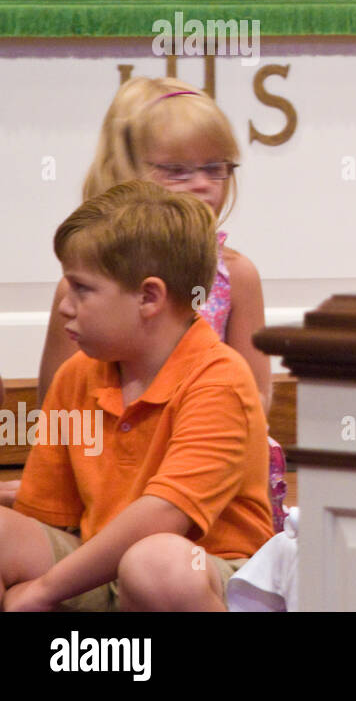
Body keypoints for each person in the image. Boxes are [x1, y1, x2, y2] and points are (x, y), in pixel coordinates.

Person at [0, 181, 273, 611]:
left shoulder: (221, 379)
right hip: (98, 563)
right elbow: (46, 515)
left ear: (149, 297)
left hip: (207, 571)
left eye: (81, 289)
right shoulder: (76, 374)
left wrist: (44, 590)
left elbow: (163, 516)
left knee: (154, 564)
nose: (64, 306)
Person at [36, 76, 272, 414]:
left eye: (214, 167)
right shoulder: (82, 289)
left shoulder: (237, 277)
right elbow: (57, 411)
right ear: (126, 171)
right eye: (177, 170)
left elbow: (256, 398)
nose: (202, 184)